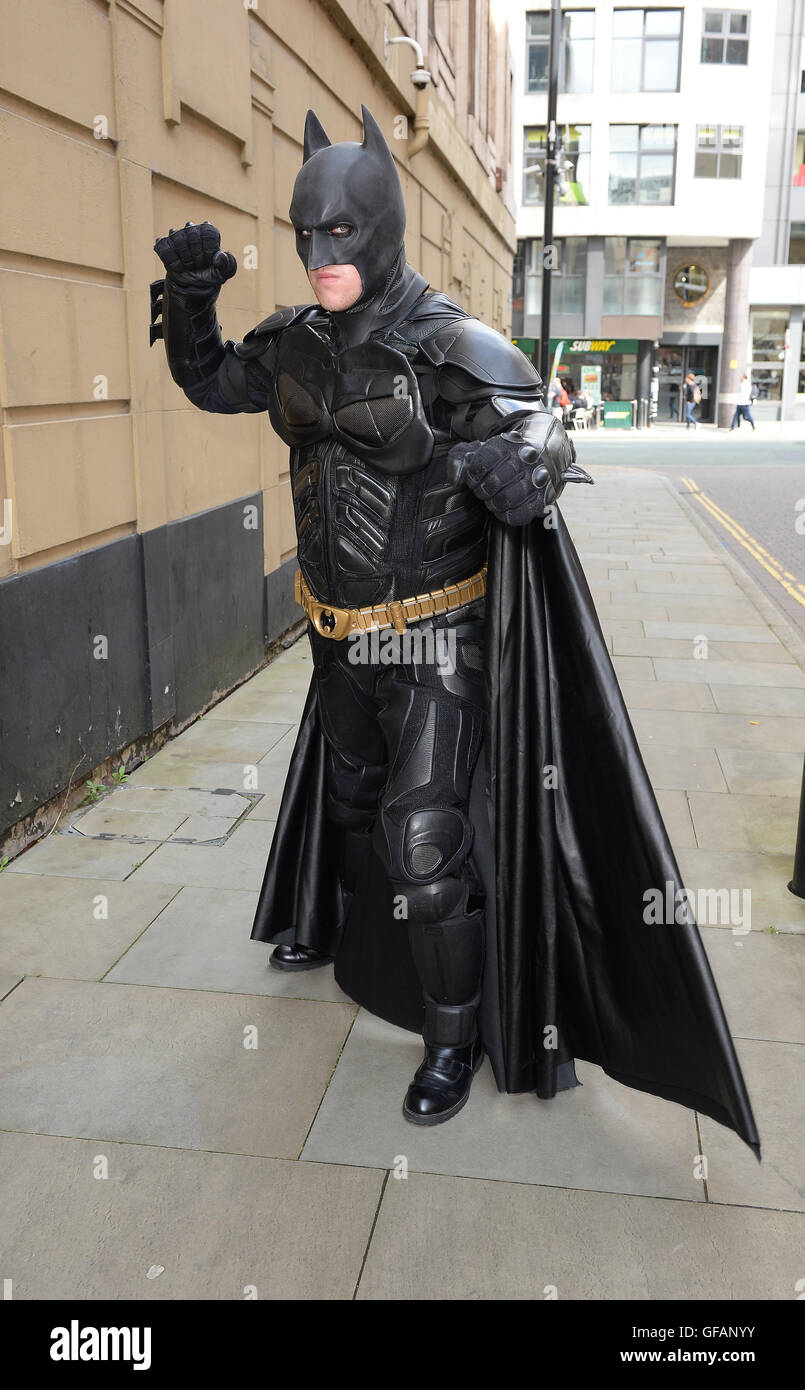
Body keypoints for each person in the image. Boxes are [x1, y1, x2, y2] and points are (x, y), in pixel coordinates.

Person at [149, 106, 759, 1156]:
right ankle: (342, 936)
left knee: (425, 840)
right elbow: (211, 382)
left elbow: (538, 419)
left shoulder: (448, 345)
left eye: (340, 234)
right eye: (305, 235)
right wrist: (194, 311)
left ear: (379, 229)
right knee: (349, 800)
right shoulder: (297, 341)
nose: (319, 254)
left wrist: (536, 459)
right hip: (337, 635)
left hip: (438, 636)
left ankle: (450, 1034)